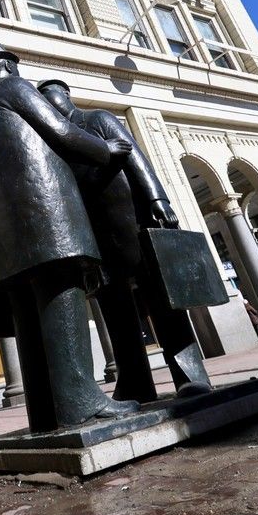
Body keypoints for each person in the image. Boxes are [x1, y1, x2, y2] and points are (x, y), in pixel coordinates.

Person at [0, 42, 138, 432]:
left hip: (4, 236)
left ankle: (43, 411)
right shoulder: (13, 87)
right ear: (8, 63)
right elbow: (62, 132)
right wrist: (106, 150)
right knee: (63, 295)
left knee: (27, 313)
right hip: (44, 216)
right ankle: (82, 402)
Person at [38, 78, 211, 402]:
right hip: (98, 238)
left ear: (66, 94)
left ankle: (190, 375)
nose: (50, 102)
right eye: (44, 98)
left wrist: (158, 200)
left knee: (163, 301)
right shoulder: (57, 141)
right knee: (116, 310)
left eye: (52, 94)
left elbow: (136, 160)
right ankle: (135, 382)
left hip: (134, 223)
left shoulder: (98, 119)